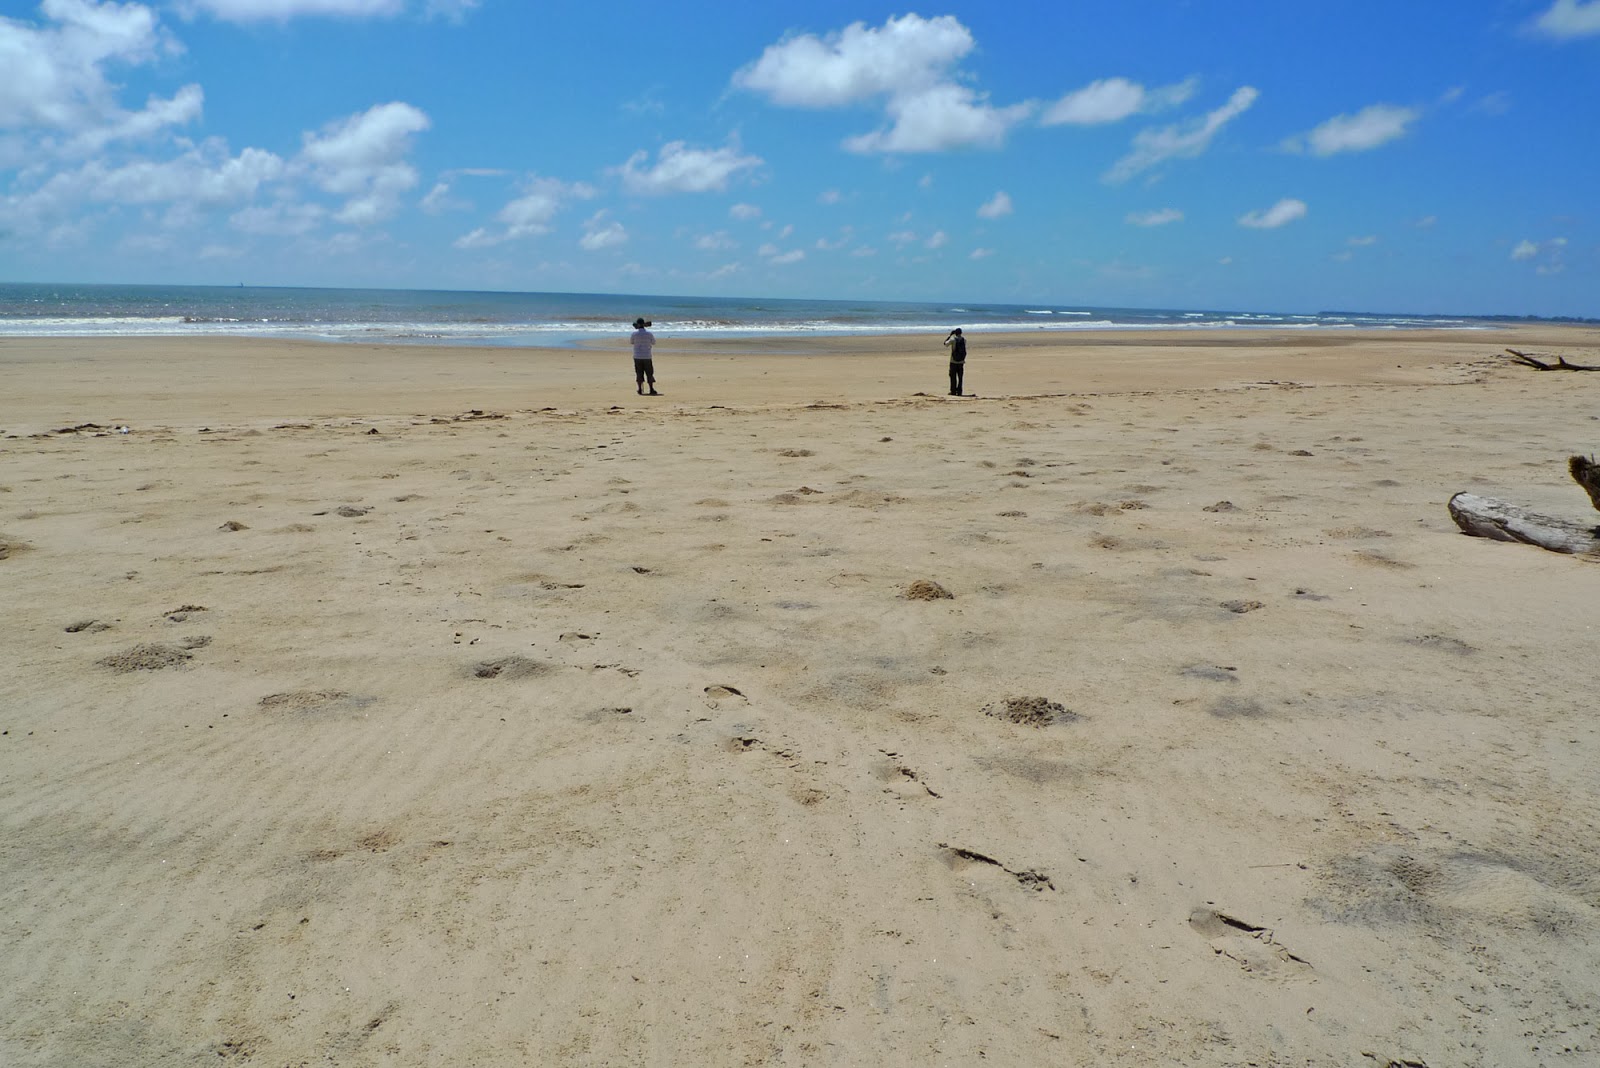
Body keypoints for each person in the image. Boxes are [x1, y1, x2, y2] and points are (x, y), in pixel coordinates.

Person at [630, 317, 658, 395]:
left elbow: (631, 342)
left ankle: (640, 389)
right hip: (647, 356)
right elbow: (653, 342)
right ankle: (651, 389)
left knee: (639, 373)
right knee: (649, 373)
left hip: (637, 356)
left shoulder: (634, 334)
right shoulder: (649, 334)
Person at [944, 327, 968, 395]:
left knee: (953, 376)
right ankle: (960, 391)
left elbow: (945, 344)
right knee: (960, 377)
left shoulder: (953, 339)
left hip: (953, 361)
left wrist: (950, 336)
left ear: (955, 333)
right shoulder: (964, 340)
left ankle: (953, 391)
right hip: (961, 361)